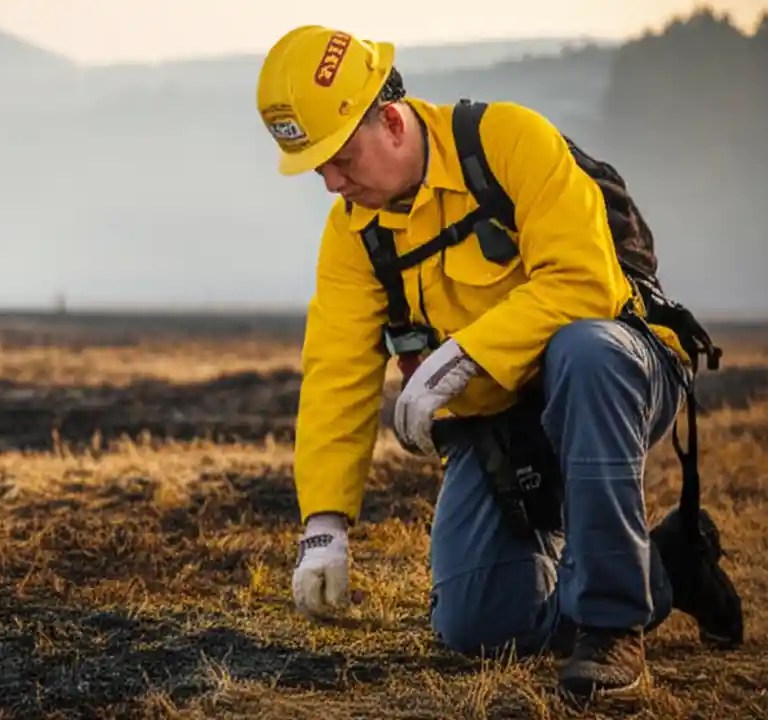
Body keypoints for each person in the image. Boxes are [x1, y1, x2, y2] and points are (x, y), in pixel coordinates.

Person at [256, 25, 743, 703]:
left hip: (617, 373)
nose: (331, 182)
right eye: (317, 167)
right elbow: (335, 370)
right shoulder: (353, 235)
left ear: (391, 121)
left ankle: (611, 628)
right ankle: (672, 566)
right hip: (504, 422)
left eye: (339, 158)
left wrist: (463, 356)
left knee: (585, 348)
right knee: (478, 625)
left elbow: (584, 286)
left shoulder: (511, 142)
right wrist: (324, 525)